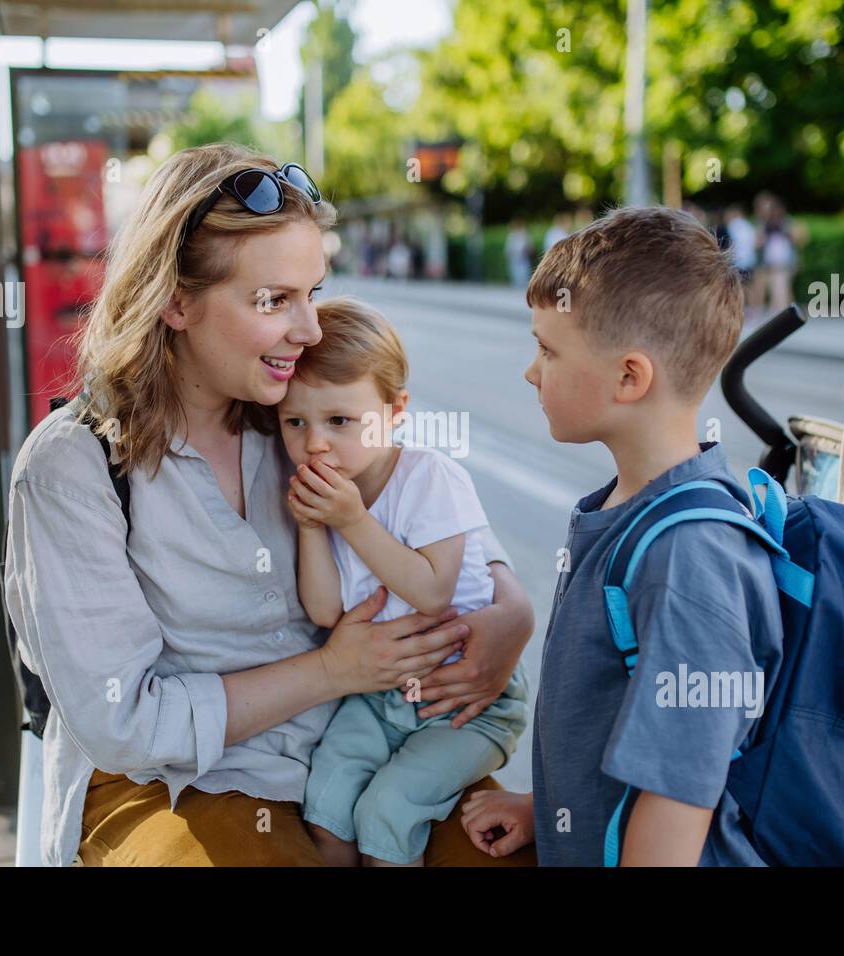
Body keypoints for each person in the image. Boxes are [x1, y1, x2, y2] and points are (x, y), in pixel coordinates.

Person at [3, 143, 536, 867]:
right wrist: (331, 673)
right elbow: (120, 721)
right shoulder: (74, 467)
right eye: (274, 300)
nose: (311, 330)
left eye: (313, 291)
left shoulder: (297, 412)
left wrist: (509, 613)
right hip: (176, 782)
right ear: (175, 301)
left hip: (372, 741)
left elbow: (432, 510)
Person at [459, 206, 783, 866]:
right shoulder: (629, 507)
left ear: (629, 377)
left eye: (549, 351)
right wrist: (550, 815)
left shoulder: (689, 557)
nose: (531, 371)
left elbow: (677, 800)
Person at [279, 297, 529, 867]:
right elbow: (324, 611)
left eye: (339, 420)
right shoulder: (330, 495)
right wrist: (313, 528)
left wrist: (349, 520)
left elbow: (433, 590)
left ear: (395, 411)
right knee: (326, 796)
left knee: (388, 807)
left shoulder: (430, 477)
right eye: (296, 422)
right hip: (378, 696)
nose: (315, 442)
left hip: (464, 700)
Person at [505, 219, 533, 288]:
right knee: (516, 281)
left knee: (524, 280)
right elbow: (508, 251)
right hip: (515, 262)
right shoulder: (511, 237)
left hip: (524, 262)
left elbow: (531, 250)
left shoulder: (526, 237)